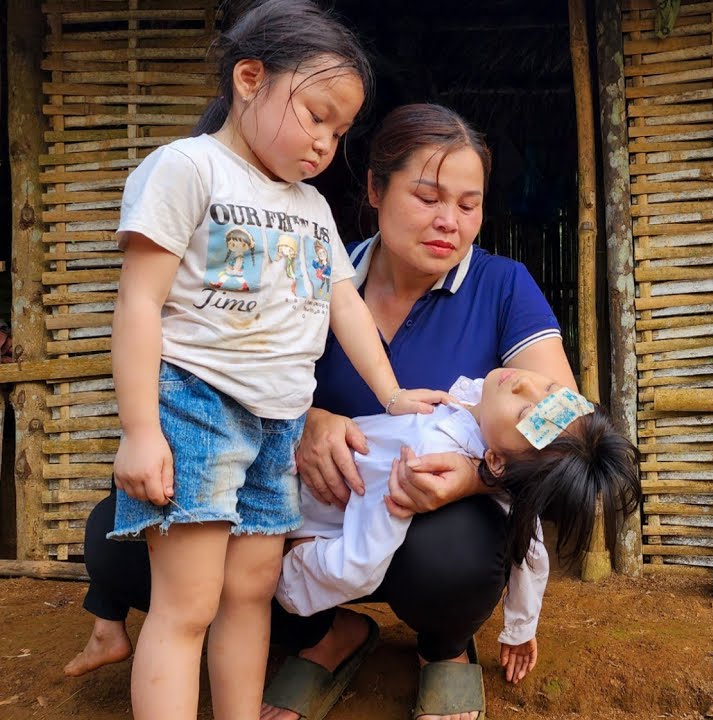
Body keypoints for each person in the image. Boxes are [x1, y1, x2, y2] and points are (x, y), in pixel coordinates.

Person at [70, 102, 582, 720]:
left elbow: (566, 425)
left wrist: (473, 477)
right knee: (117, 540)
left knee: (458, 553)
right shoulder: (304, 263)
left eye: (468, 205)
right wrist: (306, 420)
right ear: (374, 187)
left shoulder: (503, 285)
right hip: (303, 506)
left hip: (424, 524)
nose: (450, 221)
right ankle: (323, 638)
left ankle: (444, 649)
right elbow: (239, 367)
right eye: (427, 196)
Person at [96, 2, 449, 717]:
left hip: (280, 423)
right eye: (316, 115)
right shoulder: (186, 169)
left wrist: (391, 394)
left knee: (251, 594)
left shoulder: (313, 209)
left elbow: (343, 306)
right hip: (197, 406)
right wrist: (140, 430)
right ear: (249, 78)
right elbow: (137, 304)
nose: (325, 142)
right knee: (186, 604)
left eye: (339, 130)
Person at [274, 369, 640, 670]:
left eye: (524, 412)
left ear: (494, 462)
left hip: (283, 506)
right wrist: (521, 629)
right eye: (549, 385)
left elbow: (360, 560)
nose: (522, 382)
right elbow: (531, 546)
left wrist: (295, 563)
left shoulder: (424, 461)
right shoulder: (473, 409)